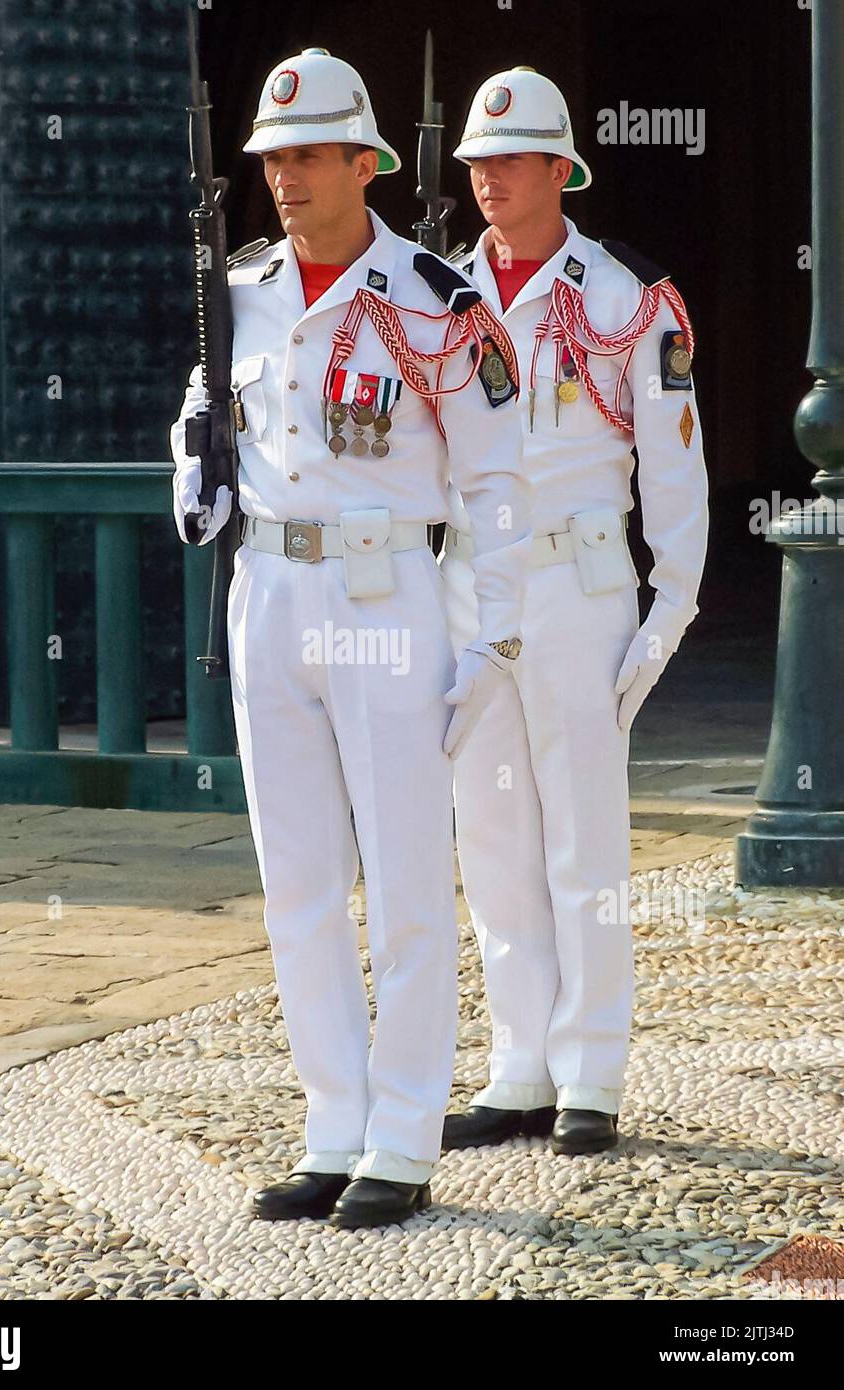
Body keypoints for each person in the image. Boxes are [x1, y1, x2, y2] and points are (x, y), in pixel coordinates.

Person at [170, 49, 529, 1226]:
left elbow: (498, 485)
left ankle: (404, 1136)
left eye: (308, 155)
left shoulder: (435, 301)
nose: (283, 176)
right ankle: (333, 1125)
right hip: (269, 595)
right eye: (271, 158)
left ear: (366, 163)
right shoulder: (244, 287)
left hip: (387, 603)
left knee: (410, 882)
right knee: (300, 887)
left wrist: (494, 641)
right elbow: (200, 406)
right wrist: (195, 480)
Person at [440, 68, 709, 1156]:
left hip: (579, 587)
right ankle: (521, 1065)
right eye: (476, 165)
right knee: (492, 835)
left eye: (509, 162)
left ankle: (592, 1070)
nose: (489, 181)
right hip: (473, 589)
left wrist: (671, 604)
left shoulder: (624, 298)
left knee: (584, 839)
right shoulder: (440, 293)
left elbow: (675, 467)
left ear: (562, 169)